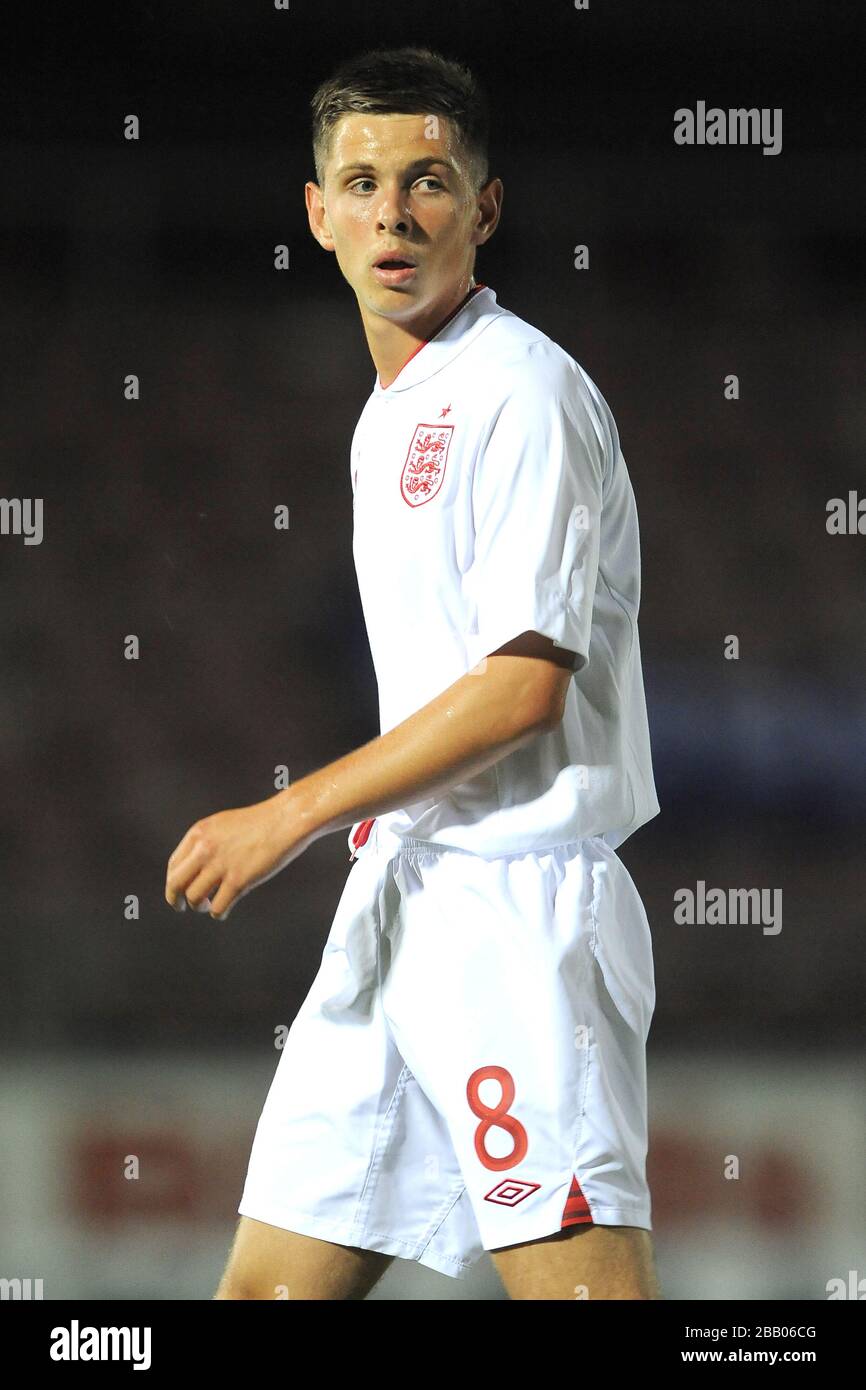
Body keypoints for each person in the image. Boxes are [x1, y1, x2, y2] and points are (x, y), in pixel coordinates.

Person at [165, 44, 663, 1301]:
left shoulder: (521, 393)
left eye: (430, 180)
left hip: (515, 917)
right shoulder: (392, 406)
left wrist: (288, 810)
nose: (394, 211)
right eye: (364, 179)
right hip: (400, 900)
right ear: (317, 213)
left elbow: (521, 687)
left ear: (483, 210)